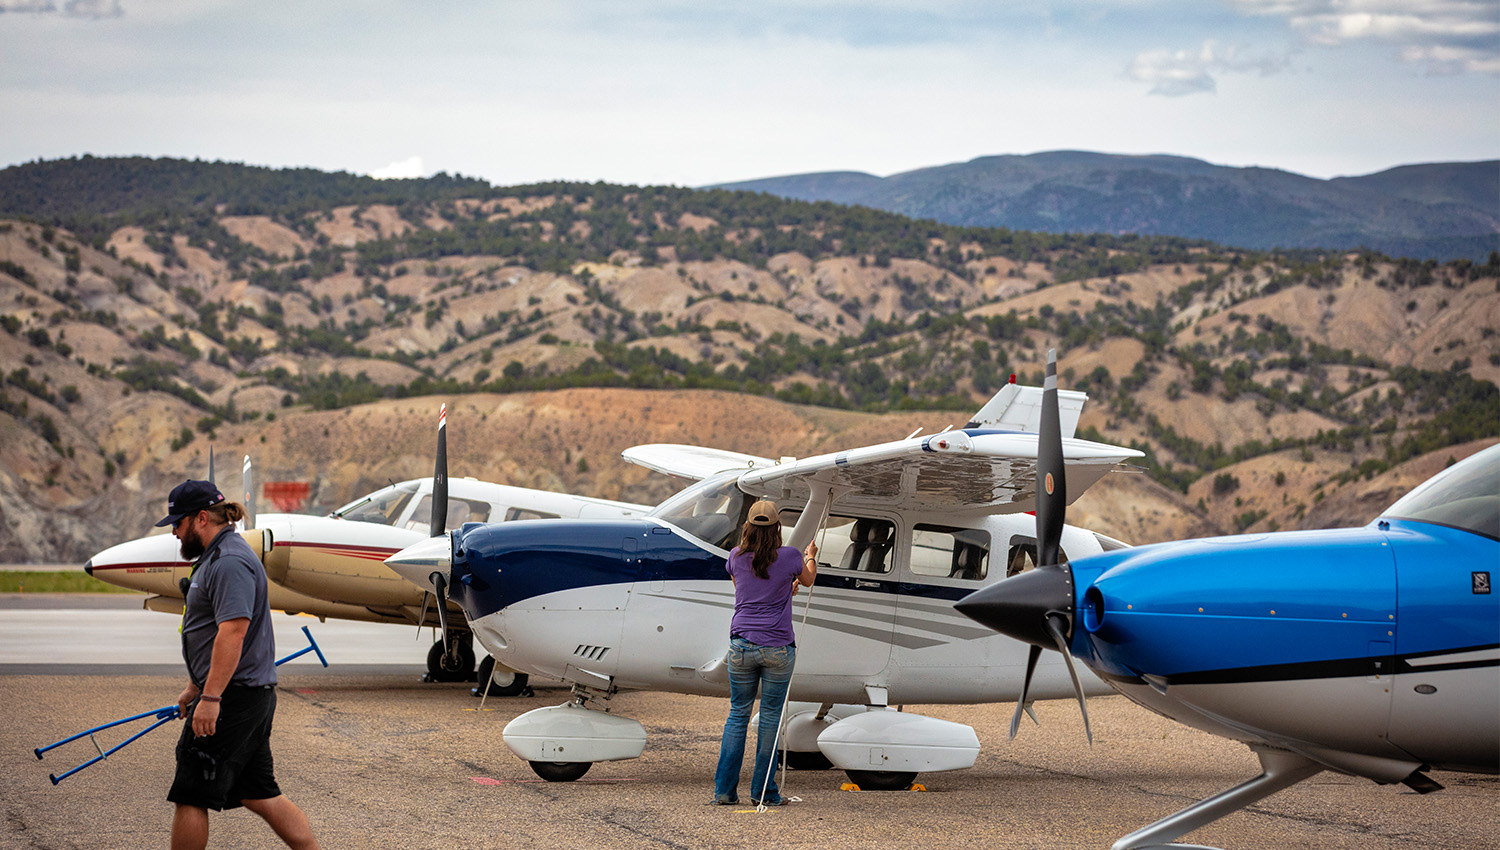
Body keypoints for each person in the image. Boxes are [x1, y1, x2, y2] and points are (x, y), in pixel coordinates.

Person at [158, 479, 320, 850]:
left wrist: (211, 698)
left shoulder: (229, 561)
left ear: (201, 518)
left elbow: (232, 632)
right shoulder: (218, 556)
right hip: (244, 694)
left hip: (234, 697)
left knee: (192, 792)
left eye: (177, 522)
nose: (174, 531)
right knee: (260, 794)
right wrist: (196, 686)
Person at [711, 499, 818, 807]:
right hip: (778, 648)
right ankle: (764, 793)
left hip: (741, 646)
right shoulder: (791, 557)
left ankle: (724, 792)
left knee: (737, 715)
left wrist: (784, 586)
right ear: (776, 528)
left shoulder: (735, 556)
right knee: (770, 718)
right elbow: (808, 580)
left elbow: (743, 589)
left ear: (747, 527)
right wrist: (811, 558)